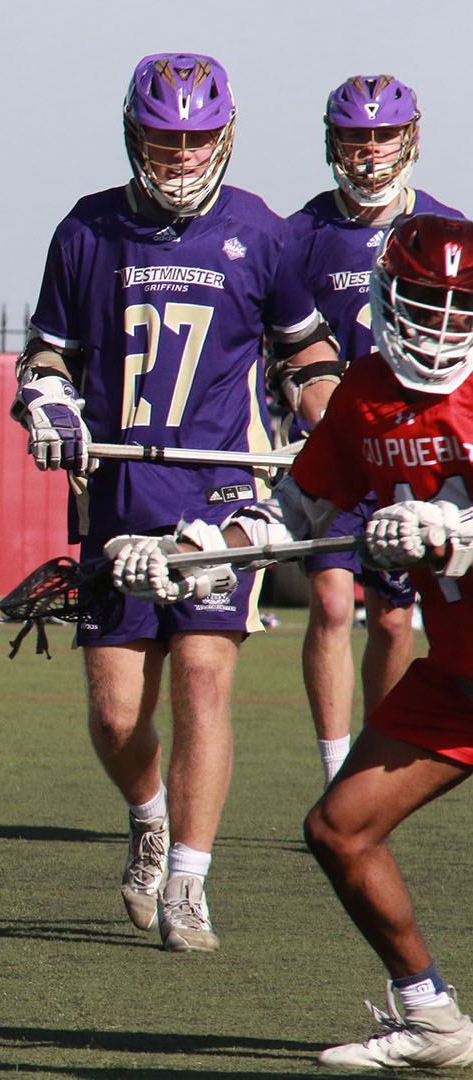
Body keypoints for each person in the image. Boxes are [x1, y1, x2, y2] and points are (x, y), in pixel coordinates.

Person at [109, 213, 473, 1068]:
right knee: (341, 830)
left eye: (460, 307)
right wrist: (193, 552)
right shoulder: (366, 391)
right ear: (385, 297)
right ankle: (434, 1022)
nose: (442, 325)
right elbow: (294, 515)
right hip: (459, 671)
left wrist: (447, 529)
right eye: (426, 302)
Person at [12, 54, 340, 952]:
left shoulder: (261, 231)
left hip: (221, 494)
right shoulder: (87, 229)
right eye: (166, 138)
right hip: (118, 494)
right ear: (135, 135)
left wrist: (332, 422)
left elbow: (305, 352)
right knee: (117, 714)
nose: (184, 155)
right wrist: (48, 400)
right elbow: (46, 353)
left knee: (203, 676)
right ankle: (149, 819)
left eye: (197, 139)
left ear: (224, 136)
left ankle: (190, 880)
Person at [280, 75, 457, 788]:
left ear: (410, 138)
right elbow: (278, 340)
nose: (370, 149)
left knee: (389, 619)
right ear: (333, 141)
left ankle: (373, 766)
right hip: (333, 446)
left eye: (383, 135)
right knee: (329, 601)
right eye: (356, 136)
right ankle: (334, 769)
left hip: (407, 452)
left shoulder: (445, 230)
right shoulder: (298, 235)